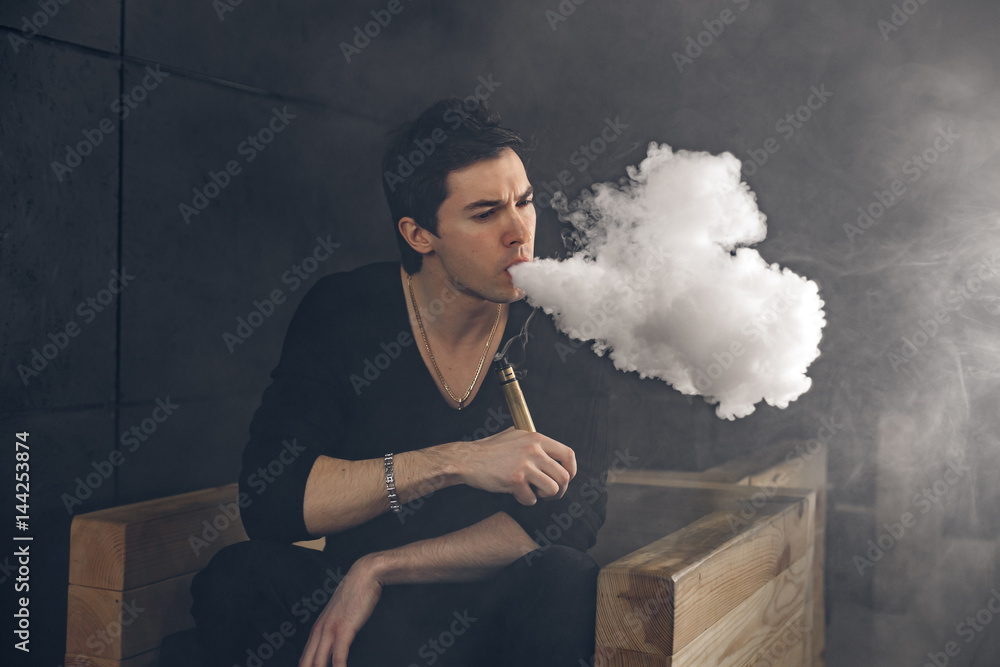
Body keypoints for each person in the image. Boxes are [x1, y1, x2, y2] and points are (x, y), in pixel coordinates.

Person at [190, 98, 612, 667]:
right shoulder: (346, 310)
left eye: (525, 202)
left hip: (492, 626)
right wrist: (455, 461)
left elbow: (569, 520)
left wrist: (380, 568)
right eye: (485, 213)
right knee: (240, 577)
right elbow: (273, 502)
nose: (520, 233)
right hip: (361, 631)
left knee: (566, 578)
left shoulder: (567, 325)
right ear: (419, 235)